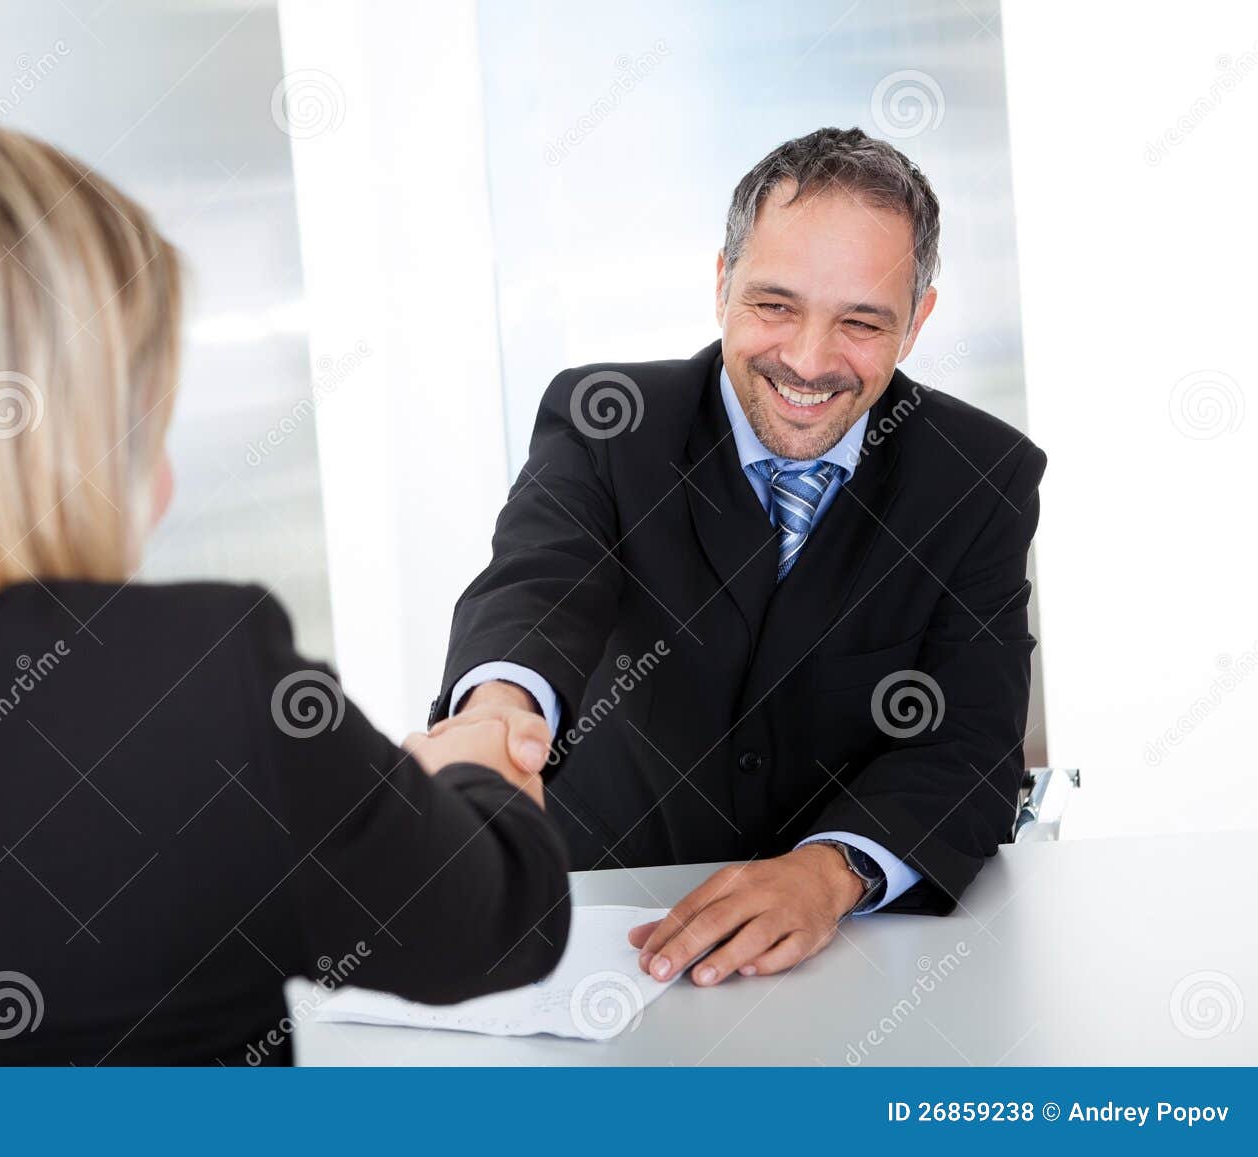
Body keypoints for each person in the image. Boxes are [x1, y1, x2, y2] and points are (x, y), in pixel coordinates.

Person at [0, 104, 568, 1066]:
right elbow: (499, 919)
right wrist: (465, 768)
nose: (162, 483)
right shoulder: (192, 685)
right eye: (137, 423)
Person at [430, 127, 1046, 988]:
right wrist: (493, 720)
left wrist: (832, 873)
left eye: (862, 322)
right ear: (722, 281)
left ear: (918, 321)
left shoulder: (981, 477)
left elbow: (970, 740)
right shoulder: (609, 421)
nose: (807, 360)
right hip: (600, 940)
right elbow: (540, 581)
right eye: (774, 306)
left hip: (853, 967)